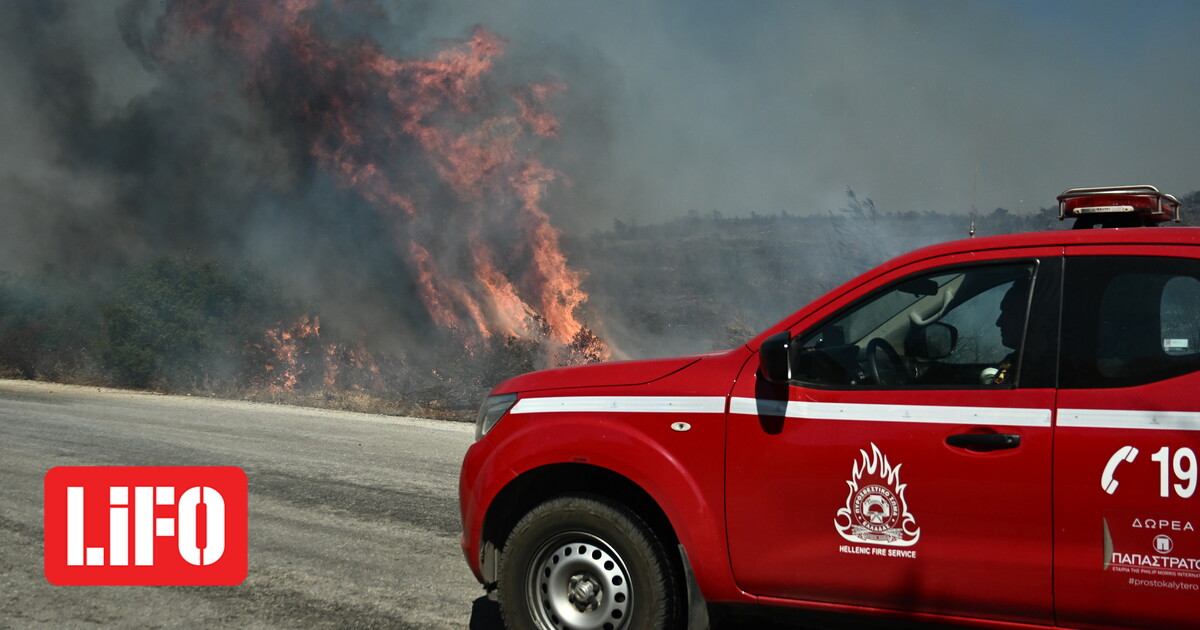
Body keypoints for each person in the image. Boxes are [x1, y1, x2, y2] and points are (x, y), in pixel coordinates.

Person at [981, 278, 1029, 385]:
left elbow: (996, 388)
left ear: (1029, 316)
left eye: (1008, 312)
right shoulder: (1012, 363)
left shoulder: (1031, 368)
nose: (999, 322)